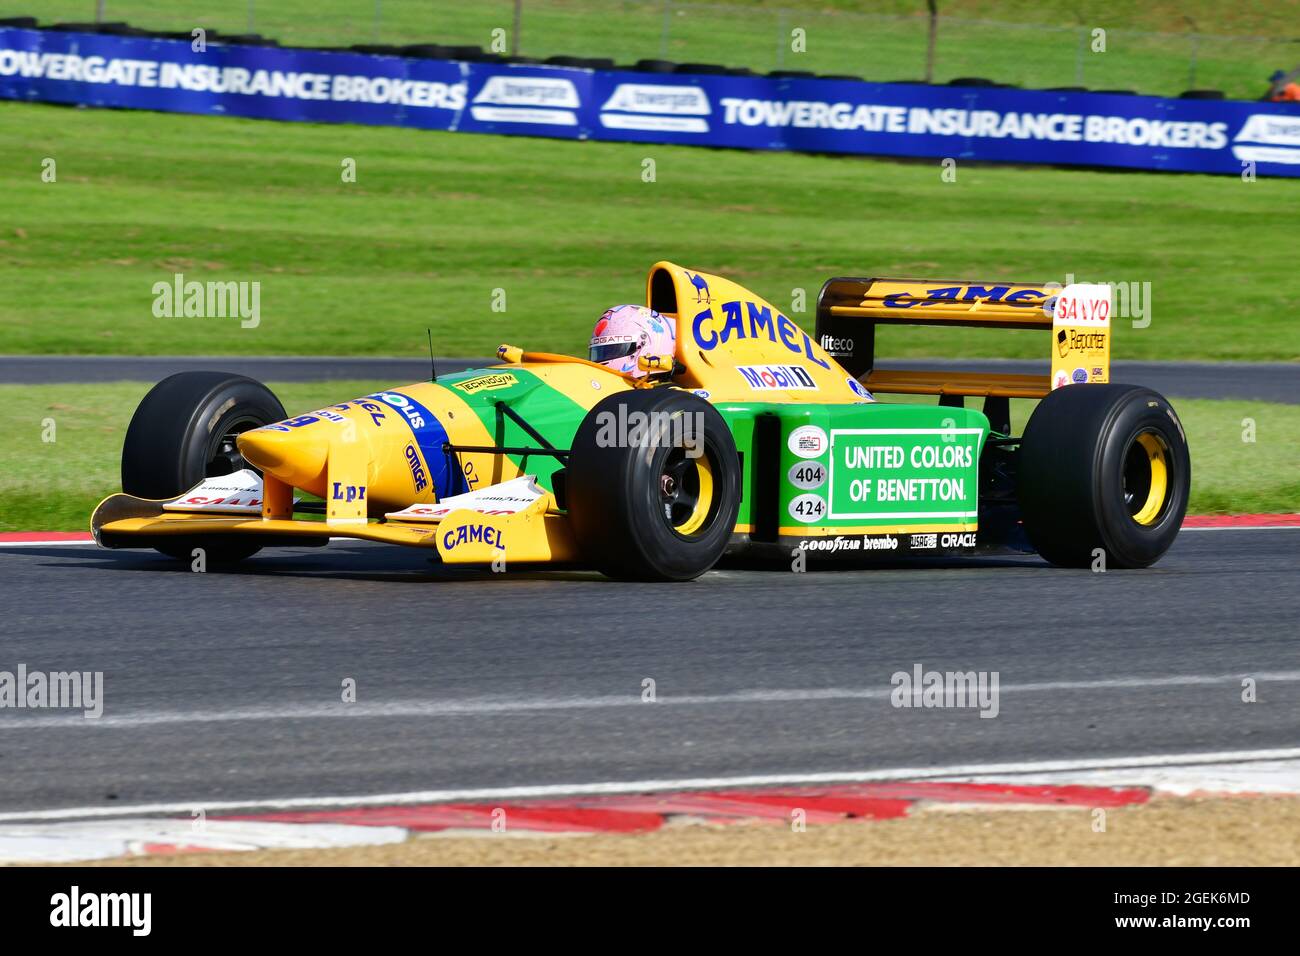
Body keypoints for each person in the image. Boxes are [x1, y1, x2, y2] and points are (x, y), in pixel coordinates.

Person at [588, 304, 676, 377]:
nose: (603, 358)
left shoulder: (674, 396)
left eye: (613, 350)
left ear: (643, 345)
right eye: (601, 352)